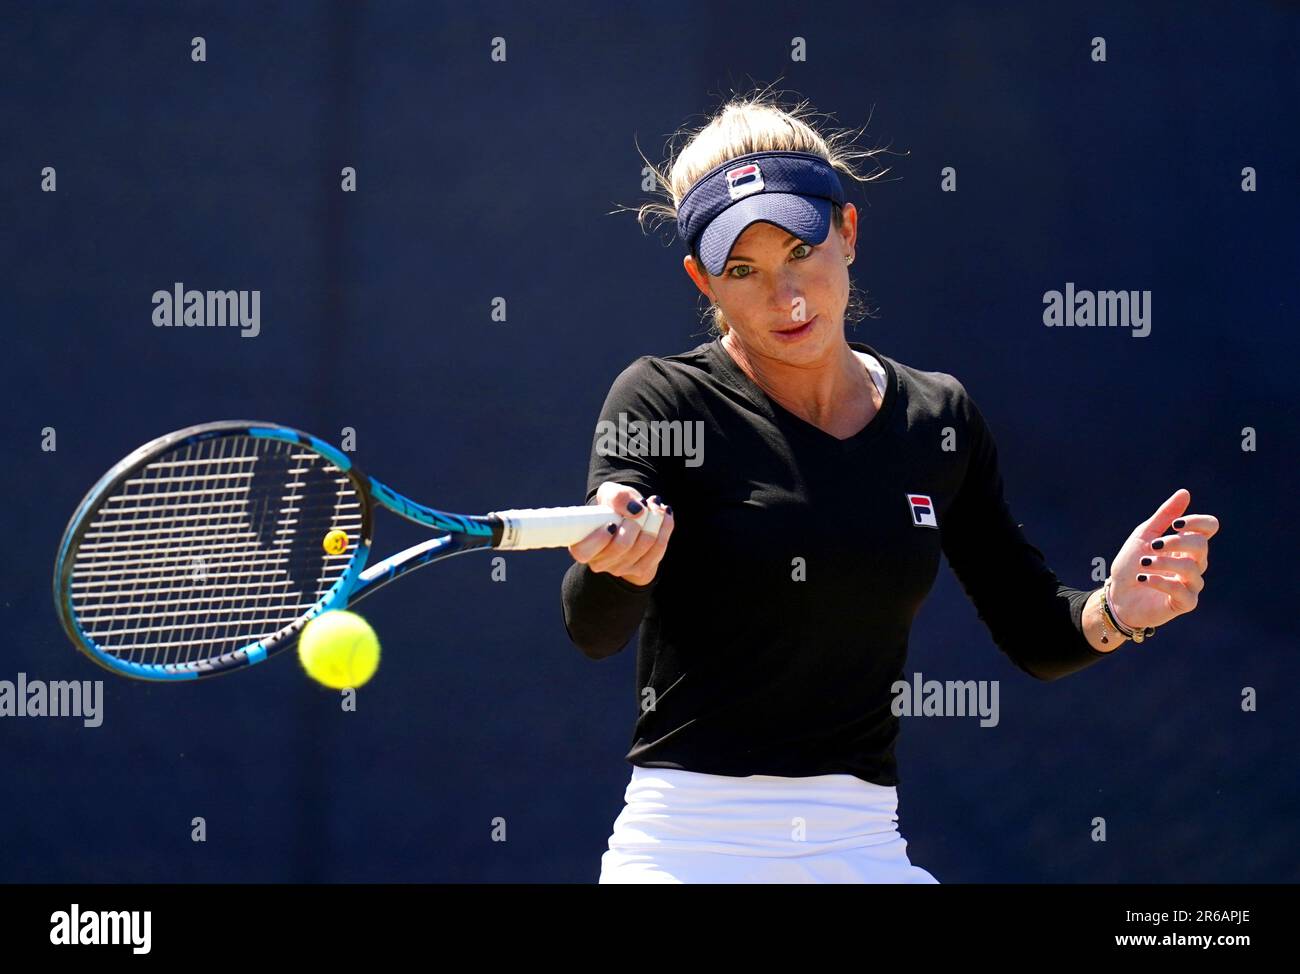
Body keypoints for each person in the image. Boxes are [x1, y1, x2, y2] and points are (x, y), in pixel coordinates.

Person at [559, 91, 1218, 884]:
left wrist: (1116, 610)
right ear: (704, 281)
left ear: (848, 231)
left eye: (800, 250)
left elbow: (1037, 632)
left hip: (862, 846)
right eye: (744, 270)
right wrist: (614, 562)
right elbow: (593, 628)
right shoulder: (662, 399)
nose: (784, 295)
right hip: (690, 847)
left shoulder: (938, 418)